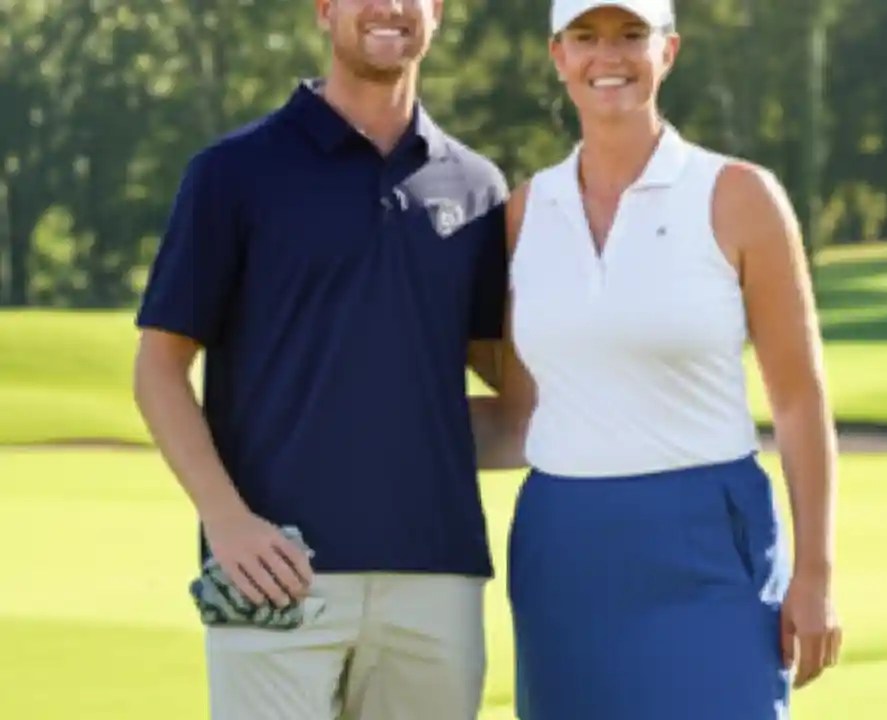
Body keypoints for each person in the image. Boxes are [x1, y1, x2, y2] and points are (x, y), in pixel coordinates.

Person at [132, 0, 509, 718]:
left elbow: (510, 387)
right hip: (275, 573)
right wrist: (227, 523)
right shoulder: (232, 173)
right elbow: (158, 370)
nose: (390, 8)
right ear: (324, 9)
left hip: (438, 576)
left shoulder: (478, 188)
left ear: (439, 12)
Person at [488, 0, 843, 716]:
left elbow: (799, 398)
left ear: (668, 52)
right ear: (559, 57)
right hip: (564, 540)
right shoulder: (526, 211)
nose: (608, 57)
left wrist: (817, 572)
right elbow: (524, 402)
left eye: (630, 36)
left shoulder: (739, 196)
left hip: (708, 537)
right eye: (586, 38)